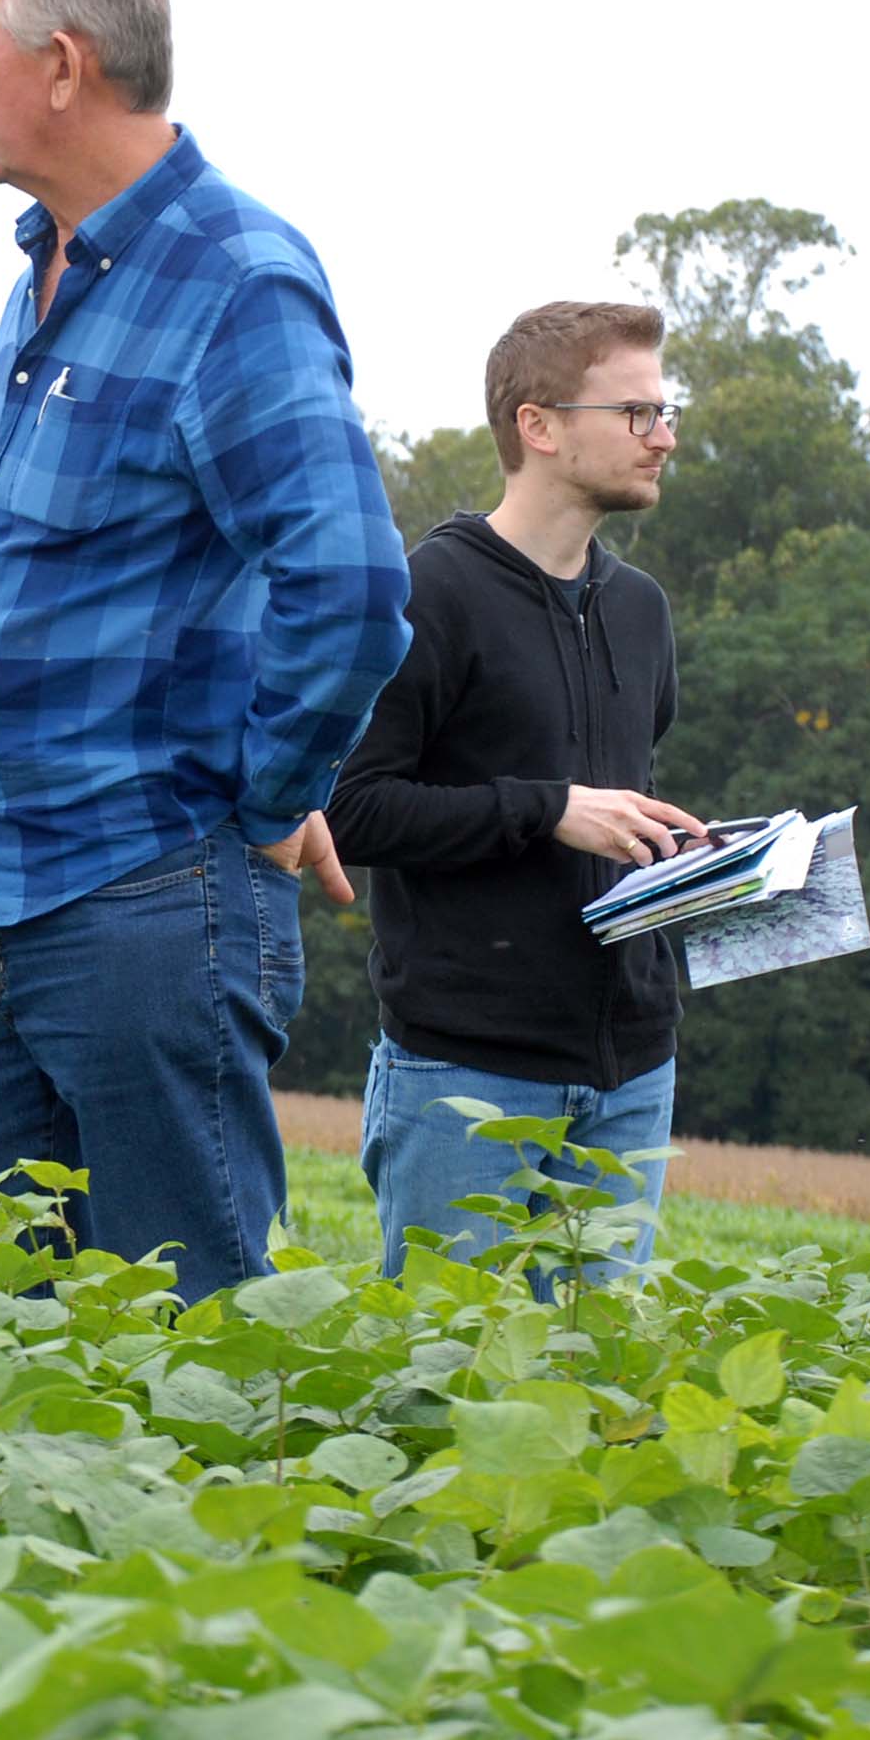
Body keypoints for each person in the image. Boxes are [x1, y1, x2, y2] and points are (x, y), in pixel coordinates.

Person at [0, 0, 411, 1305]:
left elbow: (351, 585)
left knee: (190, 1343)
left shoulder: (235, 279)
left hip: (135, 904)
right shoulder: (46, 270)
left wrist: (270, 791)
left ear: (64, 65)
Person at [325, 302, 699, 1289]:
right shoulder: (430, 593)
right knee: (448, 1365)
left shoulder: (642, 610)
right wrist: (547, 808)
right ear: (538, 425)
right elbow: (350, 809)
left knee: (596, 1370)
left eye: (666, 413)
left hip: (633, 1073)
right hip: (465, 1078)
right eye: (635, 413)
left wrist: (709, 865)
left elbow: (621, 809)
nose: (662, 437)